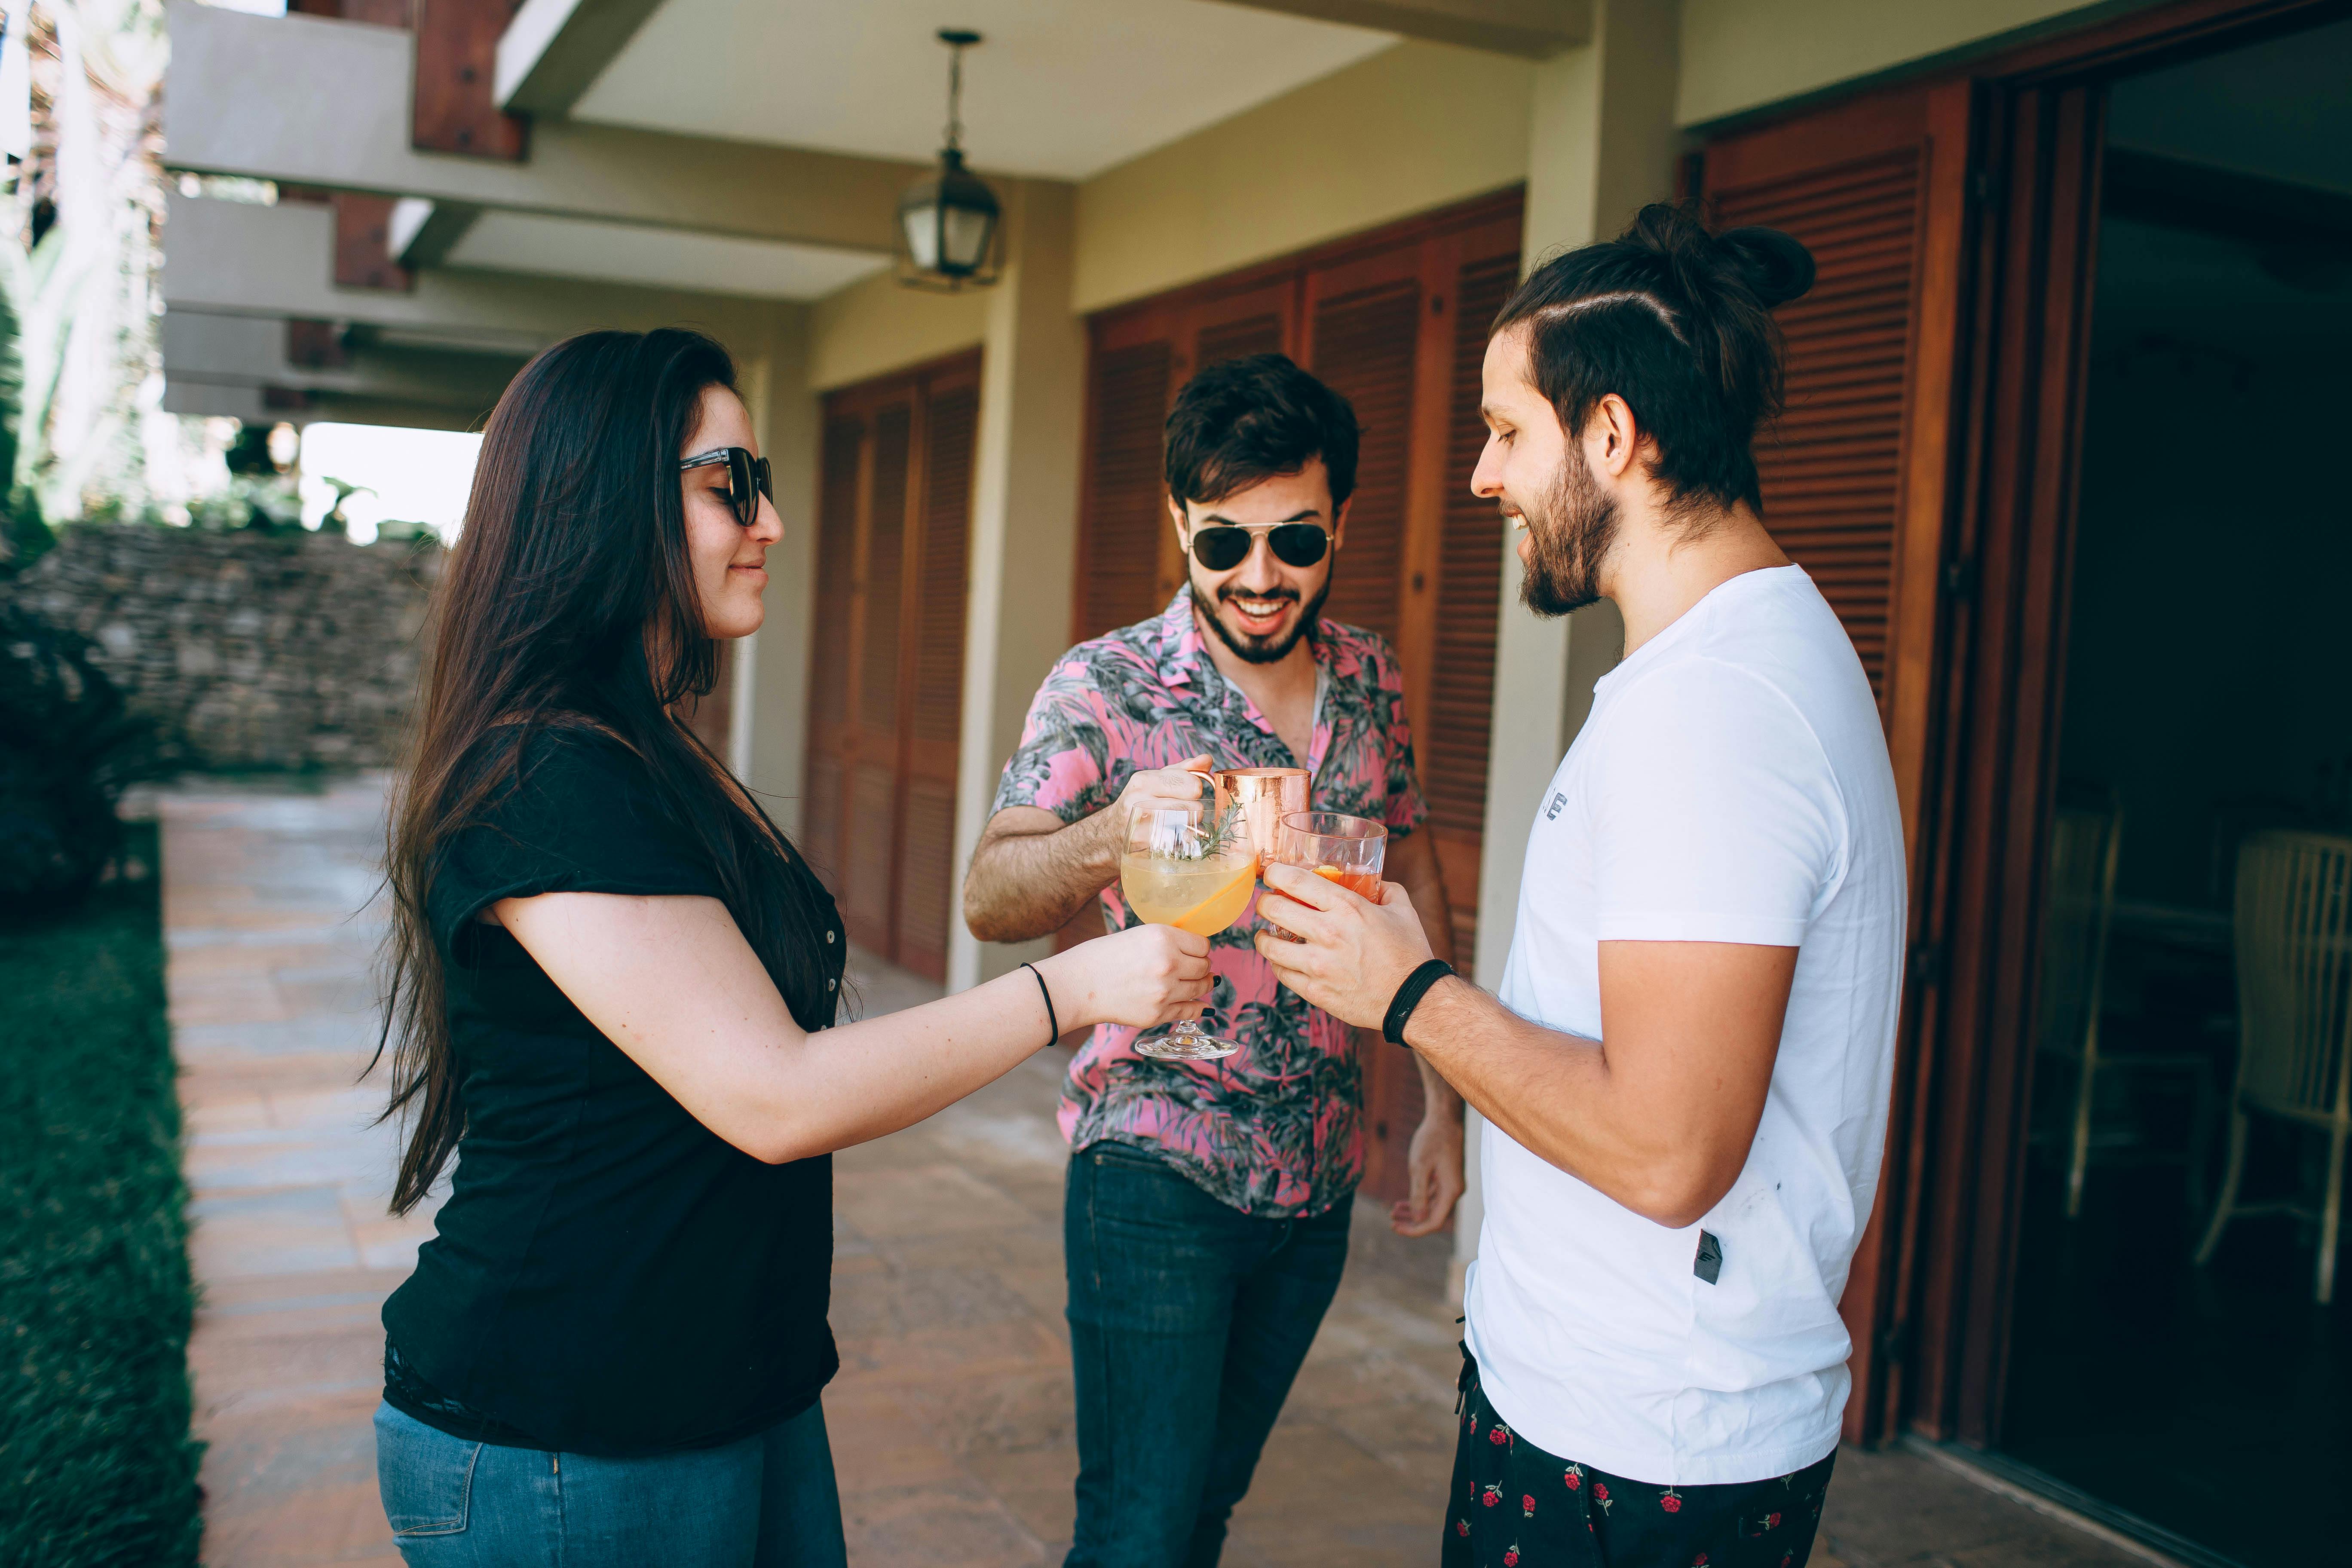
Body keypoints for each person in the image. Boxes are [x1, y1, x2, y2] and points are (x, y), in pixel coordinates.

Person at [368, 328, 1210, 1567]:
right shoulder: (545, 774)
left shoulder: (638, 746)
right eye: (729, 486)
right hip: (569, 1436)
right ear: (605, 503)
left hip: (728, 1388)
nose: (770, 522)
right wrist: (1076, 987)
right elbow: (775, 1092)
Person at [1254, 206, 1906, 1567]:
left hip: (1641, 1442)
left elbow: (1670, 1154)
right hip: (1618, 1407)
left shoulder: (1714, 710)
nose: (1483, 478)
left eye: (1508, 431)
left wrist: (1410, 993)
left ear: (1612, 437)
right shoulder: (1735, 661)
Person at [963, 352, 1463, 1567]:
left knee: (1200, 1521)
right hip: (1154, 1165)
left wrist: (1445, 1094)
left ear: (1341, 521)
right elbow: (990, 893)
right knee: (1137, 1532)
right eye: (1224, 542)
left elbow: (1413, 861)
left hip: (1318, 1172)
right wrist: (1115, 827)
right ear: (1181, 523)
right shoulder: (1108, 684)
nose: (1257, 577)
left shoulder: (1370, 677)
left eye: (1293, 541)